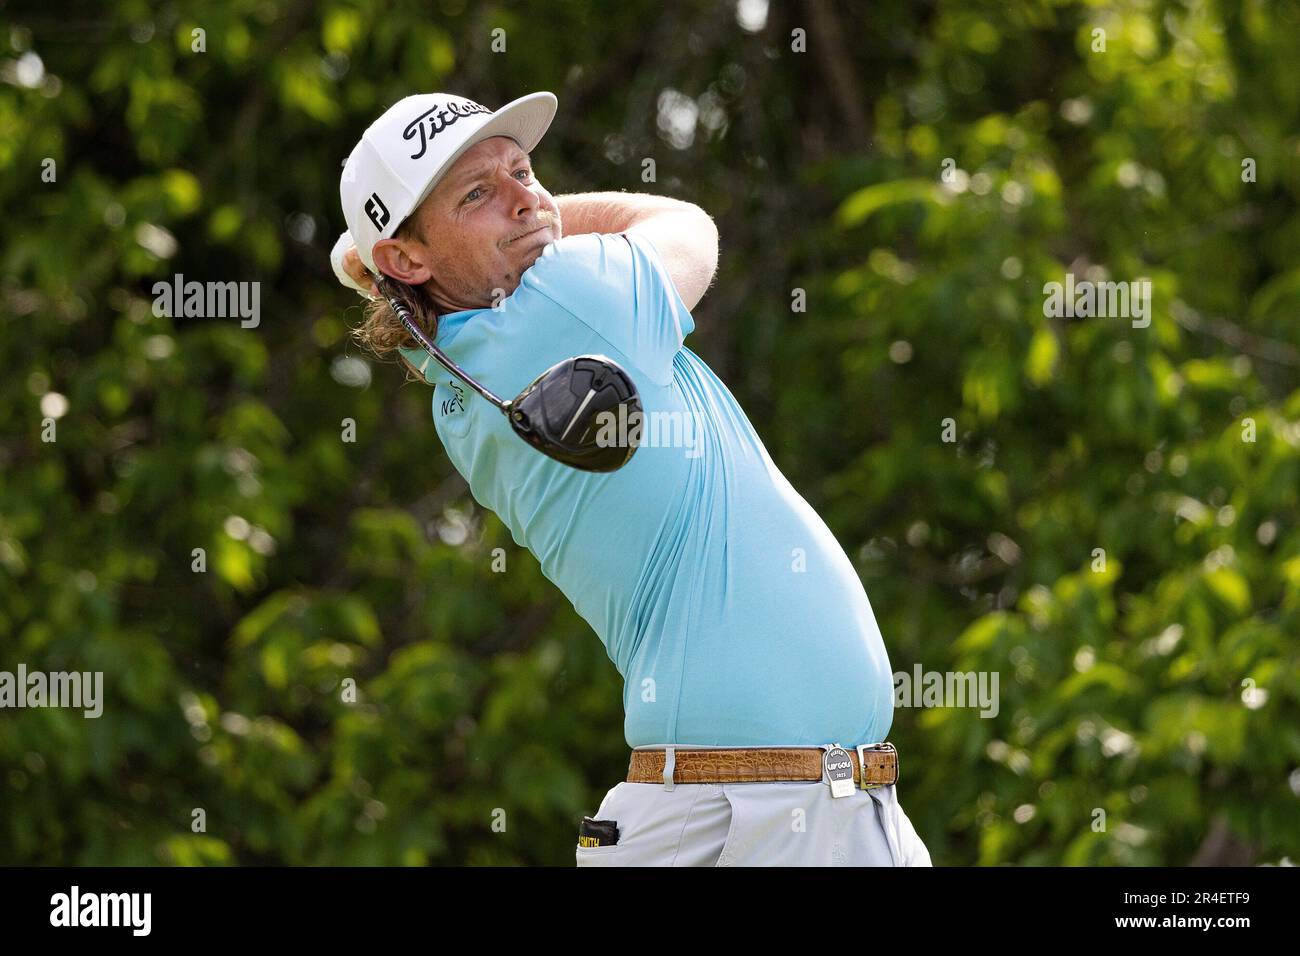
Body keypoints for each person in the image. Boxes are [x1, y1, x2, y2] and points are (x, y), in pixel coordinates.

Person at [331, 90, 932, 866]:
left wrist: (406, 250)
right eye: (478, 193)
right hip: (766, 809)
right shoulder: (561, 300)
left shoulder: (454, 359)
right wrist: (540, 220)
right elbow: (688, 227)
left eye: (523, 169)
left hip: (759, 802)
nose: (524, 198)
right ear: (408, 258)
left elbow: (400, 288)